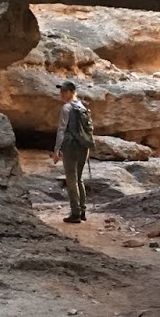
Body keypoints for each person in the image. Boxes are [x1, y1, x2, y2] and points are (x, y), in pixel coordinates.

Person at [51, 80, 94, 223]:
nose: (61, 94)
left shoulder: (67, 108)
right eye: (61, 91)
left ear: (71, 92)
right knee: (79, 179)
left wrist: (57, 150)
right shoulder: (81, 106)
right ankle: (82, 211)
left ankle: (75, 213)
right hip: (83, 146)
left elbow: (61, 129)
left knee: (71, 180)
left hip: (71, 147)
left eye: (64, 91)